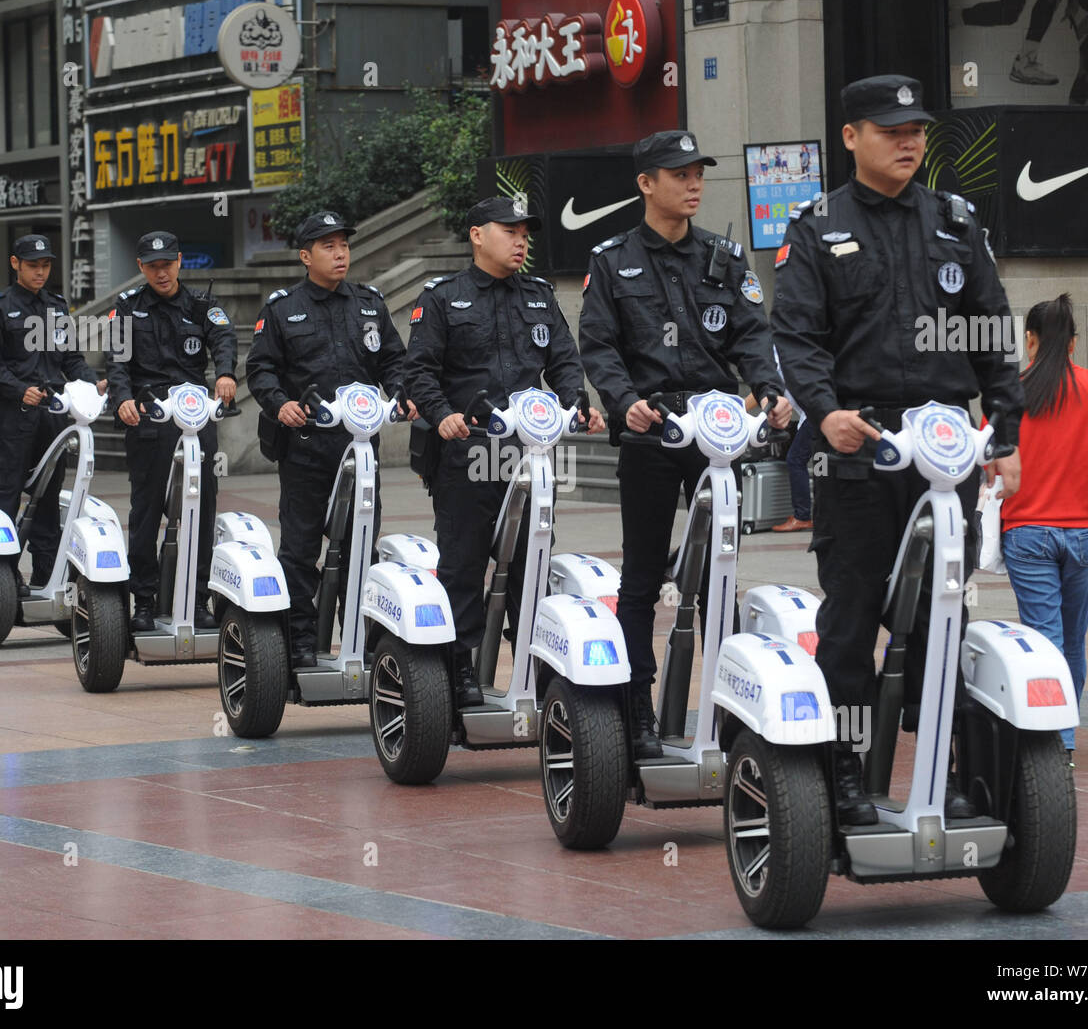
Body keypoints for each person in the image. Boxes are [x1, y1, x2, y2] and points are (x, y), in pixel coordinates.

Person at [771, 75, 1025, 825]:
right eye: (890, 130)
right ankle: (842, 774)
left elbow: (991, 330)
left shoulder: (954, 220)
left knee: (940, 622)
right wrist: (826, 414)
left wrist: (1003, 435)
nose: (909, 140)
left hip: (943, 457)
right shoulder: (817, 228)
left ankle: (942, 773)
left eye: (915, 128)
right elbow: (798, 338)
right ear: (851, 137)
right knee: (850, 623)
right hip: (859, 452)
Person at [579, 129, 791, 759]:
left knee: (720, 575)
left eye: (699, 172)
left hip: (718, 433)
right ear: (647, 184)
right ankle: (636, 710)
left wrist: (770, 390)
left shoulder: (724, 258)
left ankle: (727, 708)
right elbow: (599, 345)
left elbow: (754, 336)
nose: (694, 183)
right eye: (680, 174)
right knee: (643, 575)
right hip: (651, 430)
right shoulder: (611, 260)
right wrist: (624, 402)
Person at [405, 195, 603, 708]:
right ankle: (459, 675)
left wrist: (576, 404)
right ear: (477, 234)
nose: (521, 240)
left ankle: (536, 672)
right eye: (509, 230)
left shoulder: (538, 295)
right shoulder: (444, 298)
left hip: (529, 455)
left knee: (530, 565)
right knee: (464, 568)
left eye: (525, 233)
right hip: (466, 454)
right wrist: (442, 413)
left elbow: (563, 361)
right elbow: (419, 371)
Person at [246, 211, 412, 668]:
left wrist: (401, 394)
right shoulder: (282, 309)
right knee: (300, 549)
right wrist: (280, 403)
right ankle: (300, 641)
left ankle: (359, 638)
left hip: (359, 449)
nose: (340, 254)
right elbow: (260, 369)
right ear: (306, 256)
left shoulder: (369, 304)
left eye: (344, 245)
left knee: (362, 544)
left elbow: (394, 361)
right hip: (305, 449)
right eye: (328, 246)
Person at [999, 294, 1088, 762]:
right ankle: (1063, 738)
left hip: (1027, 532)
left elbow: (994, 462)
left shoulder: (1012, 391)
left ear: (1030, 340)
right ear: (1073, 342)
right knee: (1073, 639)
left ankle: (1053, 743)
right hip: (1084, 533)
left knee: (1042, 637)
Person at [106, 231, 238, 632]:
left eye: (167, 264)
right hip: (149, 420)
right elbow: (116, 362)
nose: (161, 273)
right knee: (146, 513)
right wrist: (123, 398)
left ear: (179, 262)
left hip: (196, 420)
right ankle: (143, 601)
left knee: (201, 512)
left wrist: (227, 373)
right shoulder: (127, 309)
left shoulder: (202, 305)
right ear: (141, 268)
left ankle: (197, 600)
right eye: (152, 266)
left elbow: (224, 339)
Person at [0, 234, 101, 595]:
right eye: (33, 265)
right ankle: (2, 576)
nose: (41, 272)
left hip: (54, 416)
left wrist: (93, 385)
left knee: (48, 494)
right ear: (15, 264)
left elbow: (71, 359)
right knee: (10, 492)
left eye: (46, 265)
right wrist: (20, 389)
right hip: (16, 414)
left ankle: (46, 574)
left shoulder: (58, 307)